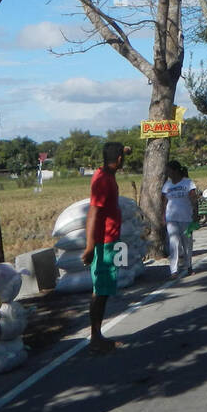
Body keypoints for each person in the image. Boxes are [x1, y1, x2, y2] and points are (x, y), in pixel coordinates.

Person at [82, 142, 127, 353]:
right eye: (122, 156)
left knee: (104, 289)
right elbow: (93, 214)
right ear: (118, 159)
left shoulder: (107, 173)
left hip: (111, 241)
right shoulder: (102, 180)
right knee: (100, 291)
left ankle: (97, 336)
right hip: (103, 244)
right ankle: (95, 338)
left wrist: (123, 151)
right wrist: (90, 247)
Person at [161, 160, 200, 279]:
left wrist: (195, 214)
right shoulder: (167, 185)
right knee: (174, 243)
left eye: (169, 170)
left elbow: (194, 199)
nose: (167, 173)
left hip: (186, 217)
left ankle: (189, 266)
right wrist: (163, 216)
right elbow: (164, 202)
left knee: (187, 243)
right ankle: (174, 270)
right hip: (171, 218)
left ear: (175, 170)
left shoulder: (188, 183)